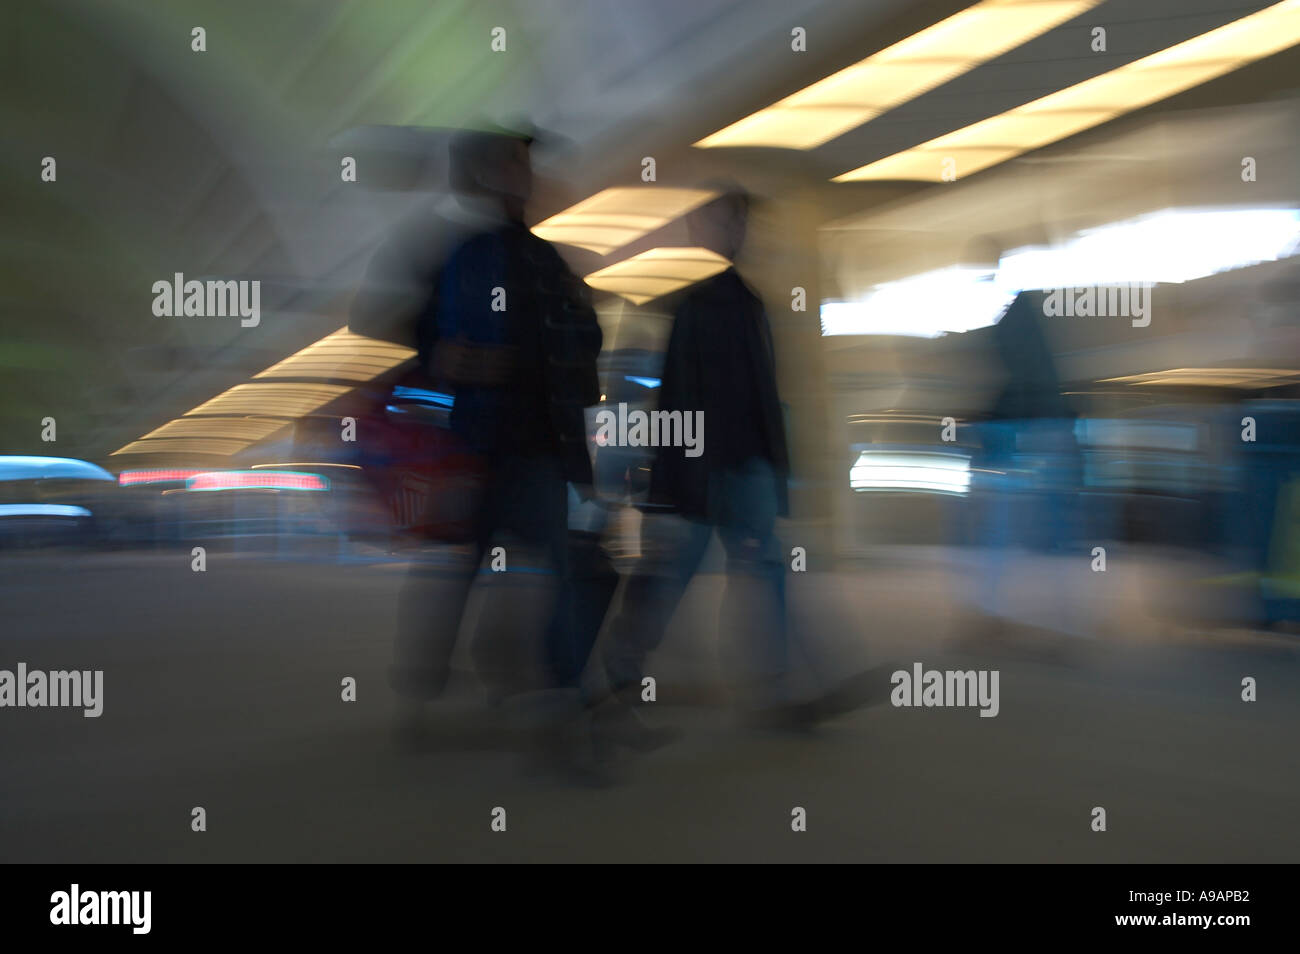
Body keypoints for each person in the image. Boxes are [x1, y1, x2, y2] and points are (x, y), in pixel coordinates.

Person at [597, 187, 878, 755]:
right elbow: (677, 402)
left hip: (743, 469)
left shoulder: (750, 305)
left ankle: (772, 692)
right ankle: (619, 679)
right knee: (674, 581)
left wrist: (775, 468)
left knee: (767, 571)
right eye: (730, 222)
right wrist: (676, 481)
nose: (743, 232)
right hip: (706, 474)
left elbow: (765, 400)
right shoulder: (698, 308)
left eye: (745, 221)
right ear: (709, 232)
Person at [378, 128, 605, 776]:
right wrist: (446, 360)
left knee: (559, 573)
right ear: (483, 177)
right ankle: (425, 689)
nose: (522, 174)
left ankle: (560, 708)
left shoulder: (549, 261)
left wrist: (584, 455)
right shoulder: (462, 255)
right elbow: (419, 333)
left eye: (525, 165)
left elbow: (581, 353)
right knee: (461, 574)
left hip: (538, 451)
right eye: (511, 164)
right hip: (475, 451)